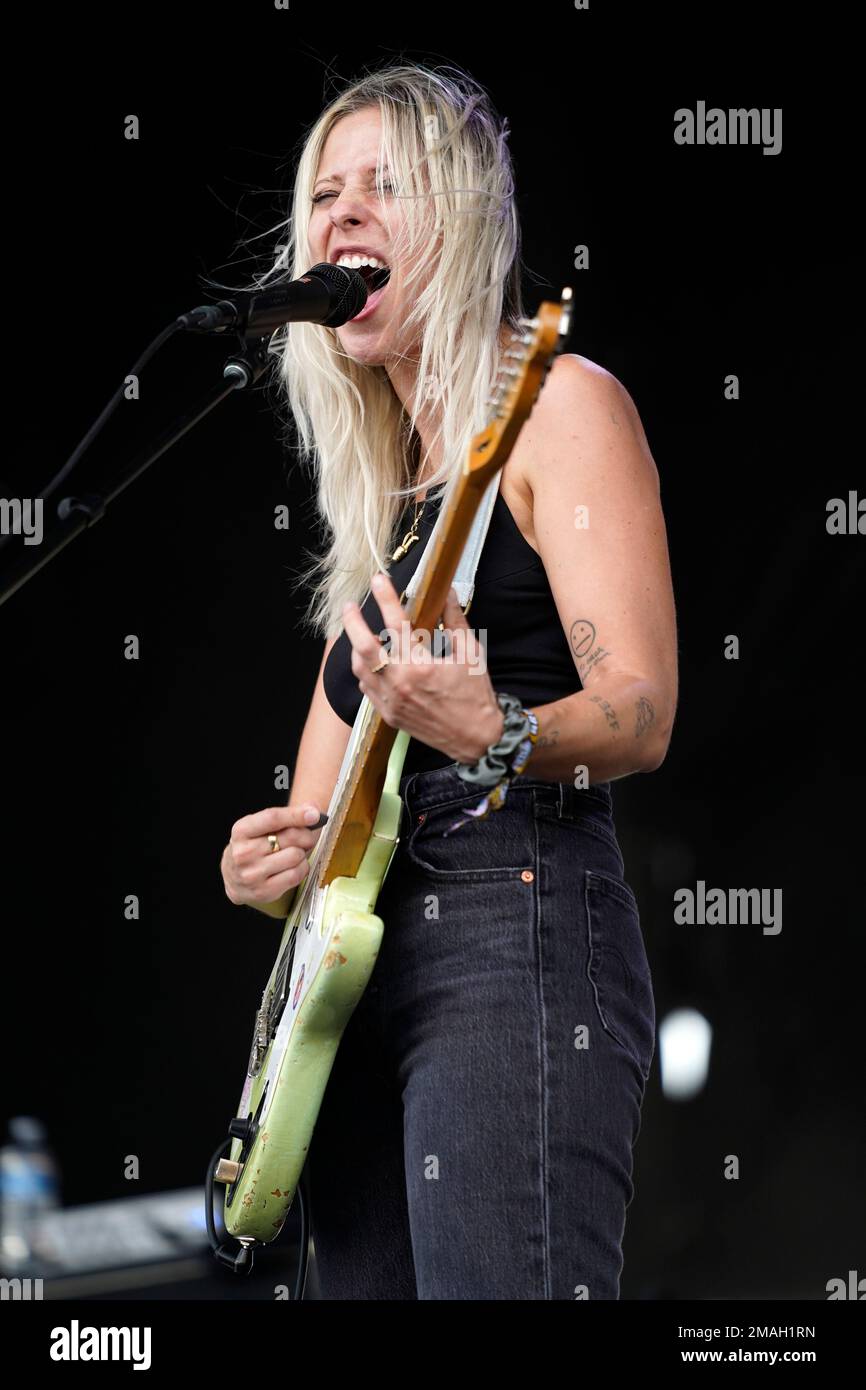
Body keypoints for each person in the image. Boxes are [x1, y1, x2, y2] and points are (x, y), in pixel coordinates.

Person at [220, 61, 678, 1300]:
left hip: (510, 918)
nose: (342, 215)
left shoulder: (556, 409)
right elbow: (322, 839)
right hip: (352, 990)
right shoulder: (385, 522)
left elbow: (640, 709)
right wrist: (263, 869)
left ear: (466, 217)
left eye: (385, 185)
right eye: (324, 194)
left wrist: (499, 728)